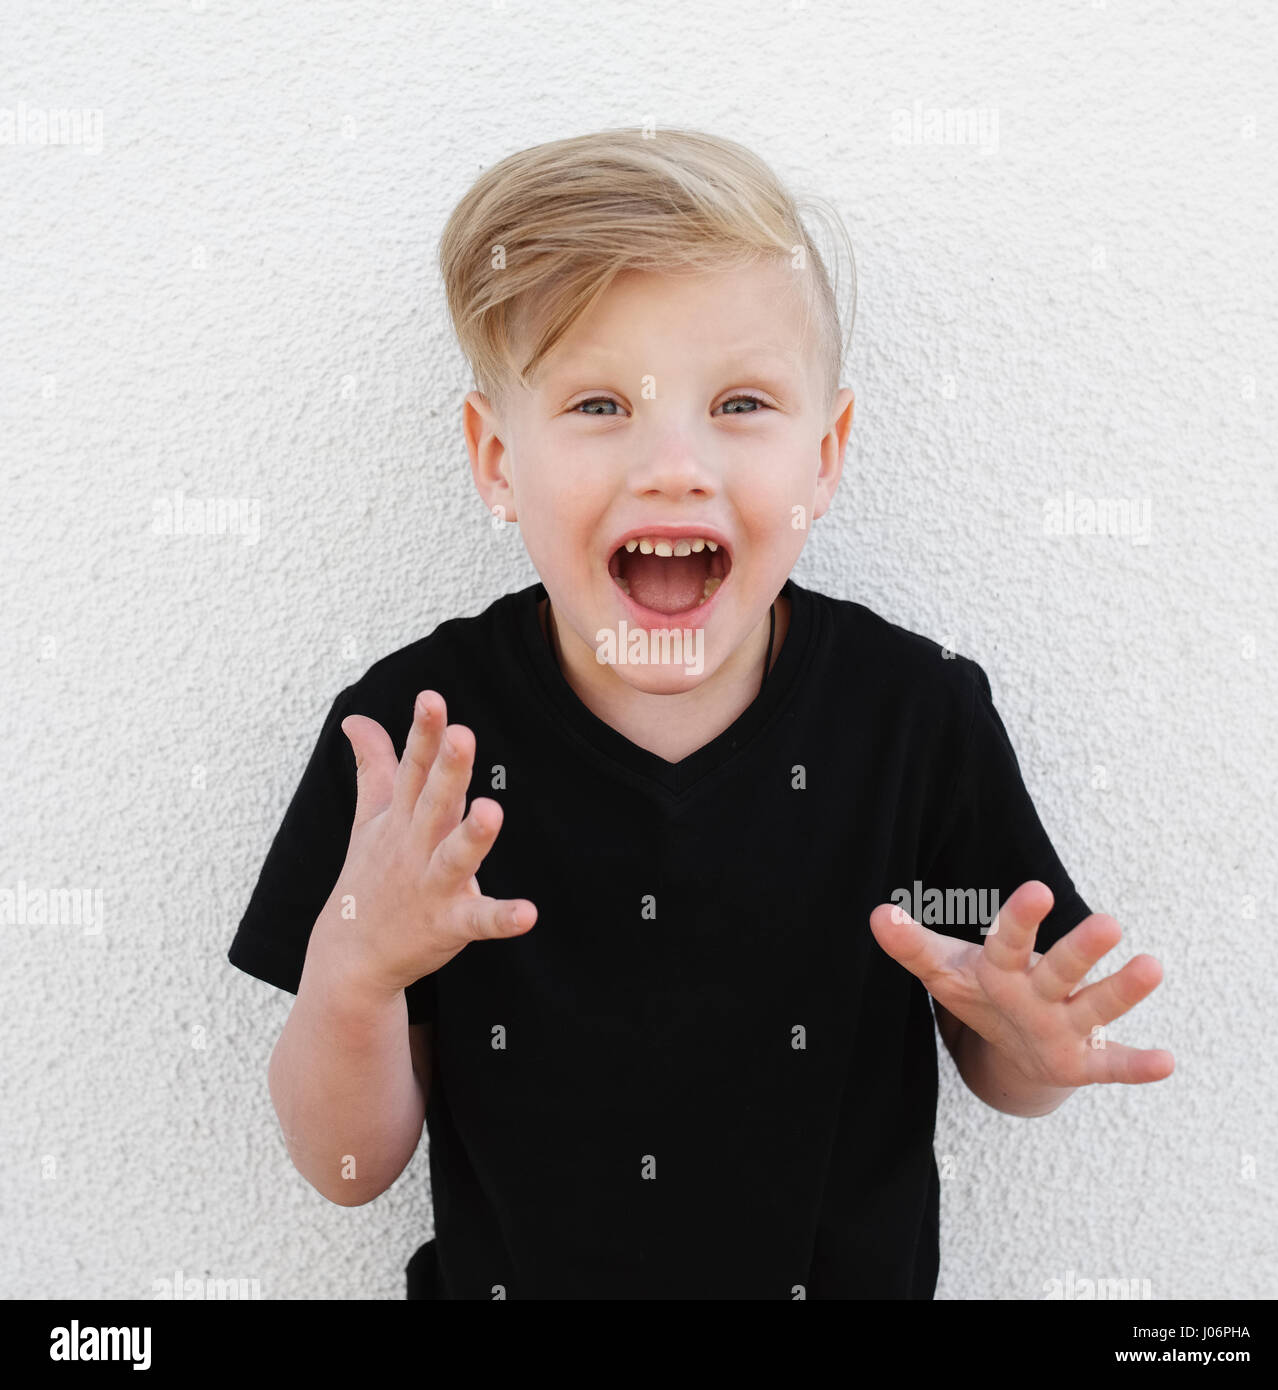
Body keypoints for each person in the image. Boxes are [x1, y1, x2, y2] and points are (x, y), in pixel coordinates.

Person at [227, 126, 1173, 1300]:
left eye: (736, 402)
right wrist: (357, 977)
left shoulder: (914, 719)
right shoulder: (410, 744)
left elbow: (1006, 1048)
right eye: (596, 403)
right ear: (495, 460)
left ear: (823, 457)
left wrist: (1035, 1054)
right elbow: (345, 1168)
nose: (673, 465)